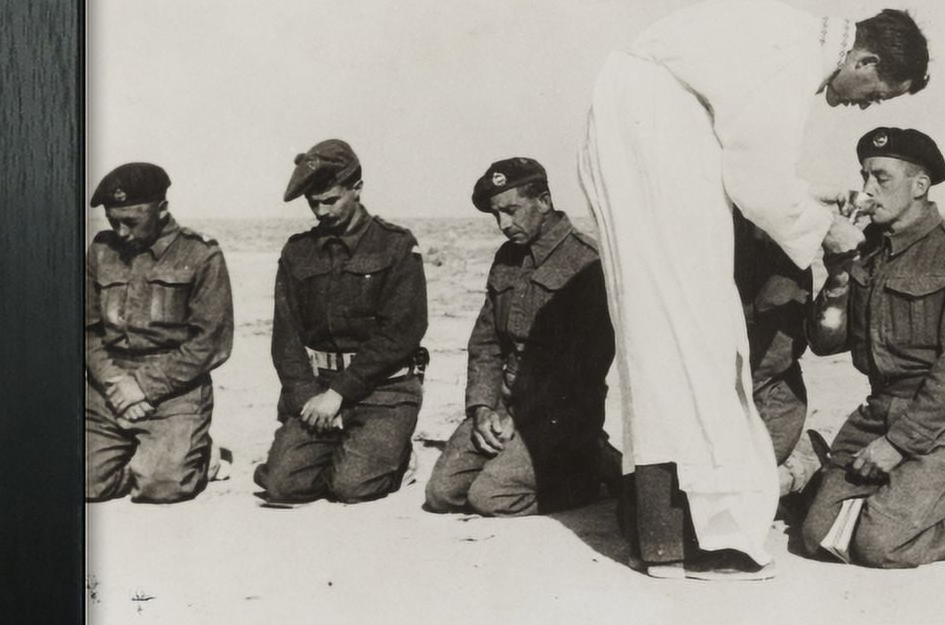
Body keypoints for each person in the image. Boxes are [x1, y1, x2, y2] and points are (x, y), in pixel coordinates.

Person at [578, 0, 929, 579]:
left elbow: (750, 168)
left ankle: (661, 538)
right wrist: (829, 231)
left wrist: (807, 203)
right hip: (653, 134)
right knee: (694, 338)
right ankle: (711, 538)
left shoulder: (787, 36)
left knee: (664, 337)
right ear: (864, 60)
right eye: (877, 92)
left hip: (644, 129)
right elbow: (757, 182)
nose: (864, 104)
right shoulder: (792, 61)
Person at [799, 127, 945, 568]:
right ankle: (922, 491)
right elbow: (824, 344)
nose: (866, 190)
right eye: (864, 176)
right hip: (877, 413)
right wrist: (839, 279)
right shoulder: (865, 254)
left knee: (878, 545)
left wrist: (898, 446)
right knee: (817, 537)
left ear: (919, 186)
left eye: (881, 178)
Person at [424, 157, 619, 517]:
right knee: (442, 494)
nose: (503, 224)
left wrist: (524, 416)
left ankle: (590, 470)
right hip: (505, 405)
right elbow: (486, 343)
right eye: (497, 214)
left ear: (543, 201)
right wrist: (482, 409)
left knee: (491, 497)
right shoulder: (507, 257)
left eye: (512, 211)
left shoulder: (585, 262)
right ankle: (559, 460)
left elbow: (582, 369)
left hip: (563, 411)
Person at [253, 139, 429, 505]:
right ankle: (342, 450)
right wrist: (306, 399)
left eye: (330, 200)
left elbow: (401, 333)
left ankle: (397, 457)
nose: (321, 211)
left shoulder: (394, 245)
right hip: (319, 391)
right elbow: (285, 337)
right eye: (313, 203)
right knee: (282, 486)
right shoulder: (297, 251)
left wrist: (340, 394)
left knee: (351, 488)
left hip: (383, 389)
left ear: (357, 189)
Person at [85, 162, 234, 503]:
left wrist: (143, 387)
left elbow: (212, 343)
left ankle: (203, 456)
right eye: (113, 221)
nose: (121, 232)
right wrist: (115, 382)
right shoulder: (101, 251)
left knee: (162, 487)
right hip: (109, 384)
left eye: (132, 222)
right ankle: (142, 453)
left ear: (162, 209)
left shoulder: (200, 254)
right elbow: (86, 330)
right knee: (82, 482)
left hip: (174, 388)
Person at [732, 207, 822, 501]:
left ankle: (801, 464)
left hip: (767, 403)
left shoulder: (782, 255)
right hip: (728, 399)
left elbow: (771, 360)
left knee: (738, 498)